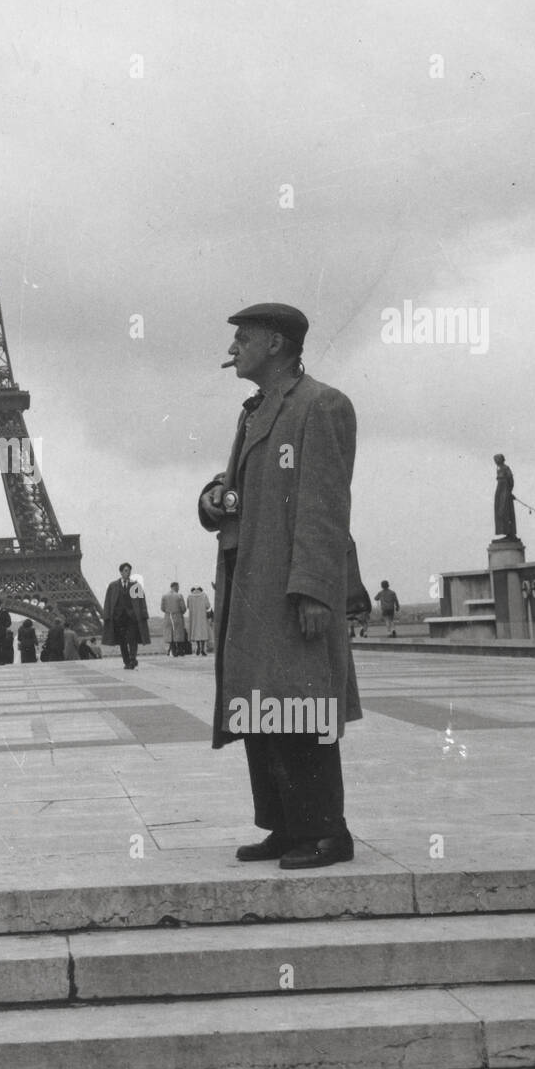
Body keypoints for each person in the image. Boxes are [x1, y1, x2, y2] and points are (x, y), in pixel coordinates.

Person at [199, 302, 359, 870]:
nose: (232, 348)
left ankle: (326, 832)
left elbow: (324, 505)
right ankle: (286, 826)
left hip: (288, 587)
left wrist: (316, 589)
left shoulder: (322, 405)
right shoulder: (255, 413)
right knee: (262, 709)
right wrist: (213, 499)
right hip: (251, 583)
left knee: (300, 705)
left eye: (243, 338)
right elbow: (242, 486)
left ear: (275, 344)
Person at [102, 563, 150, 669]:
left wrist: (143, 613)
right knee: (122, 641)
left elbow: (142, 601)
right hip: (118, 618)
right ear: (121, 572)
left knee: (132, 639)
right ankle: (127, 661)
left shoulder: (135, 586)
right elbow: (108, 602)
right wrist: (107, 615)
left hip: (131, 618)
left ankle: (132, 659)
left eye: (129, 571)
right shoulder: (113, 586)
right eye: (125, 570)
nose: (128, 573)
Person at [494, 454, 519, 540]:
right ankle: (505, 531)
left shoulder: (506, 468)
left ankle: (510, 533)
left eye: (496, 460)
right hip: (499, 491)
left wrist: (509, 491)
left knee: (505, 511)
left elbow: (511, 480)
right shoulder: (499, 469)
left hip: (505, 491)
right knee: (500, 512)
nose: (495, 462)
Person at [161, 582, 188, 655]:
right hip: (177, 616)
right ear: (175, 587)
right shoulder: (179, 596)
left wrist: (168, 611)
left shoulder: (164, 596)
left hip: (168, 616)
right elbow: (183, 608)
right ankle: (179, 650)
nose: (178, 588)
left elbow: (162, 608)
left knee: (170, 634)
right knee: (178, 633)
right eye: (178, 587)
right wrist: (180, 612)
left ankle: (173, 650)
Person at [187, 585, 212, 655]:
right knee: (203, 633)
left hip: (194, 617)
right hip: (202, 616)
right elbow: (208, 606)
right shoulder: (204, 595)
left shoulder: (190, 596)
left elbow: (188, 606)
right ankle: (202, 648)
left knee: (196, 632)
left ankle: (198, 646)